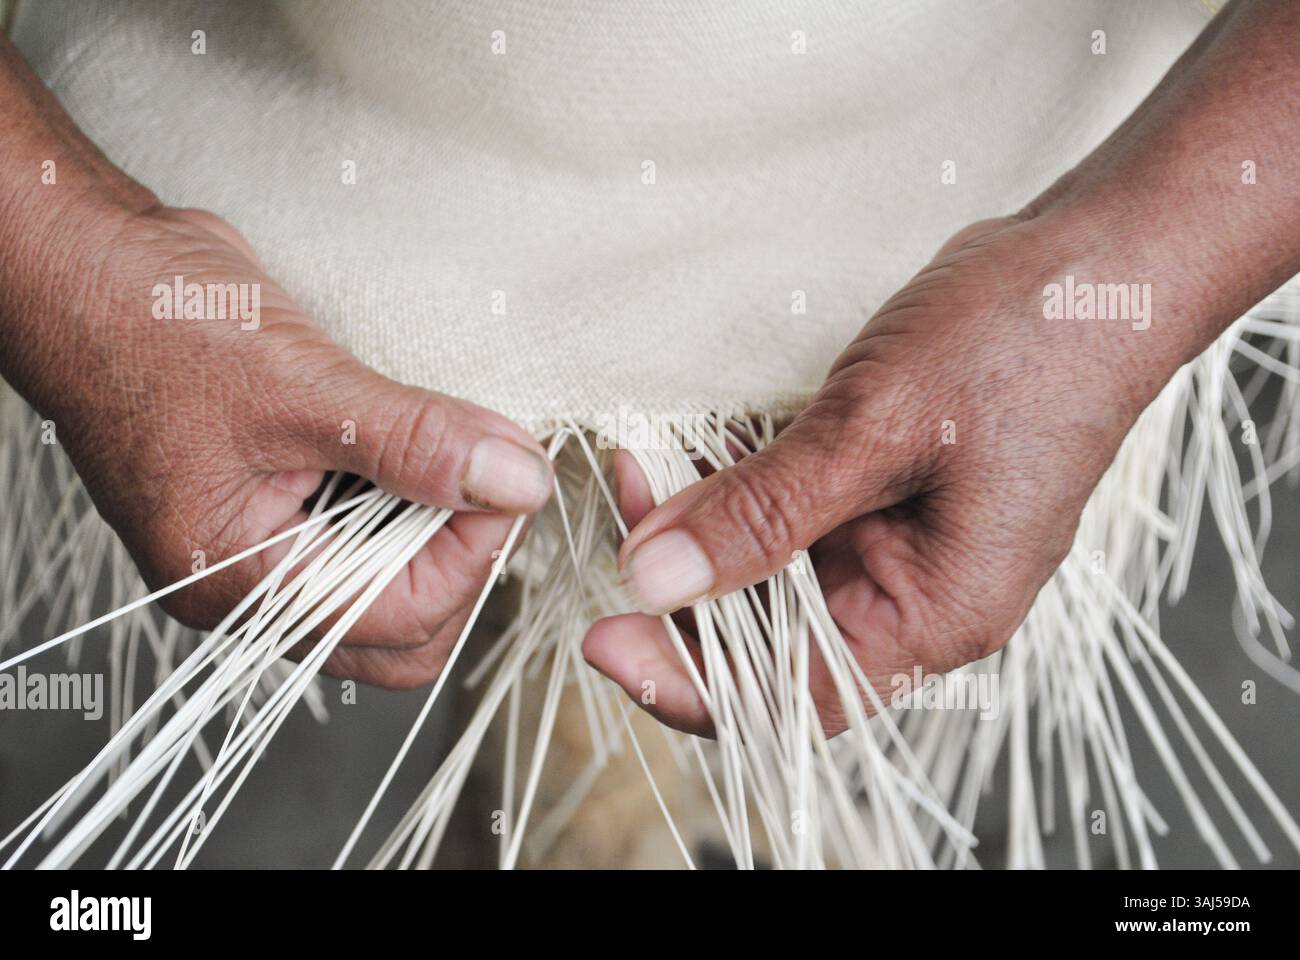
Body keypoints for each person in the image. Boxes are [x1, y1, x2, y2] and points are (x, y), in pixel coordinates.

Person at [0, 1, 1295, 737]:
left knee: (732, 645)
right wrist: (58, 263)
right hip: (270, 152)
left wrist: (1133, 274)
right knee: (579, 640)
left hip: (991, 163)